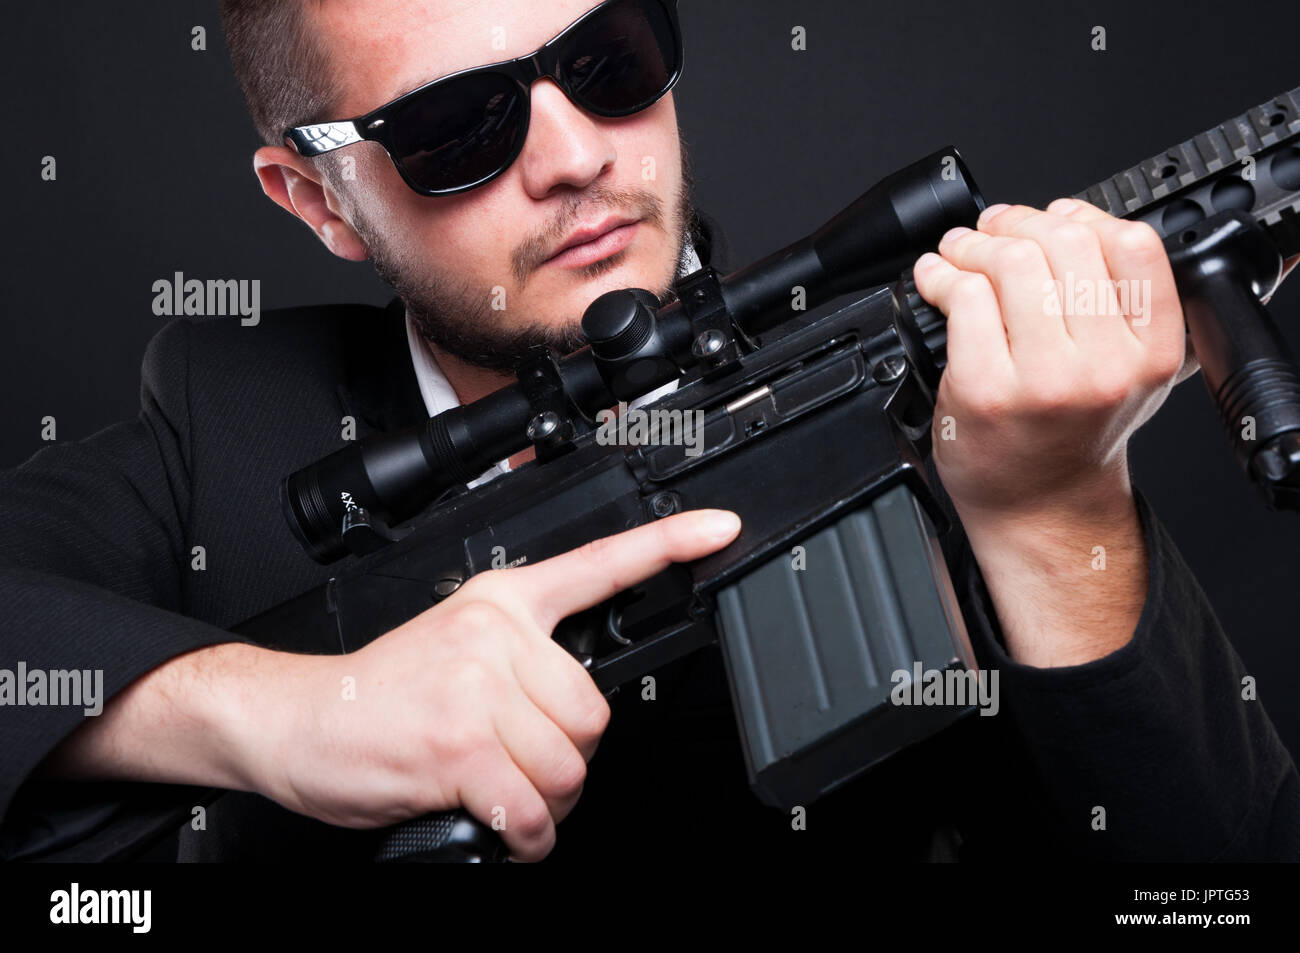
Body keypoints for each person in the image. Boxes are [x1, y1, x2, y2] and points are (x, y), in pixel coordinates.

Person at [1, 0, 1296, 862]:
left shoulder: (957, 399)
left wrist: (1064, 529)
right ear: (319, 198)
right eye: (460, 128)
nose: (576, 157)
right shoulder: (228, 418)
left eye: (607, 60)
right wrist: (277, 715)